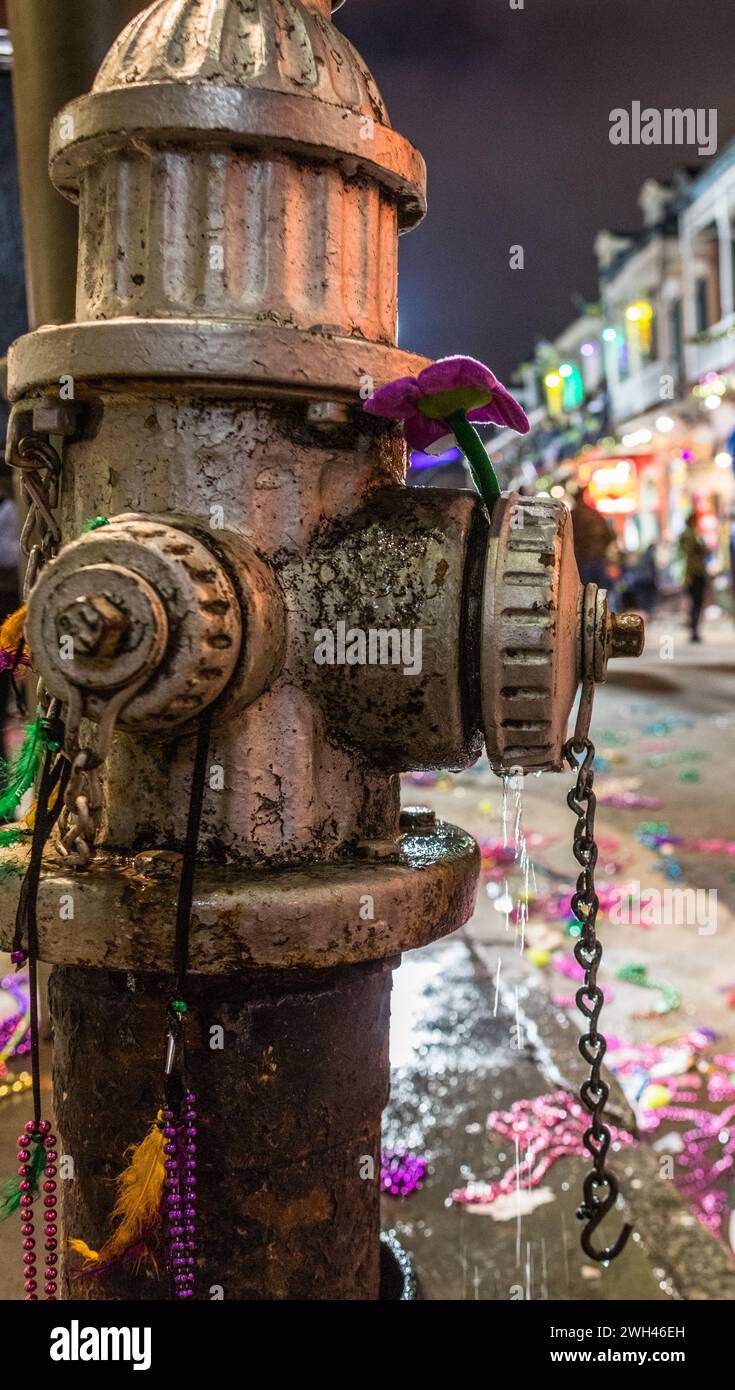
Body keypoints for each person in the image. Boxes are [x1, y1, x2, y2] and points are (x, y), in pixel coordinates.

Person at [570, 489, 615, 588]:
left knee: (583, 593)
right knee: (601, 592)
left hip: (582, 560)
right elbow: (610, 536)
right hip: (598, 559)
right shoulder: (595, 514)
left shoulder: (573, 515)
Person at [678, 511, 708, 643]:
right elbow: (695, 552)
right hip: (695, 574)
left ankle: (694, 629)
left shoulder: (689, 535)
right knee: (696, 602)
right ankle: (694, 629)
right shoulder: (689, 536)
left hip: (691, 574)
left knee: (695, 603)